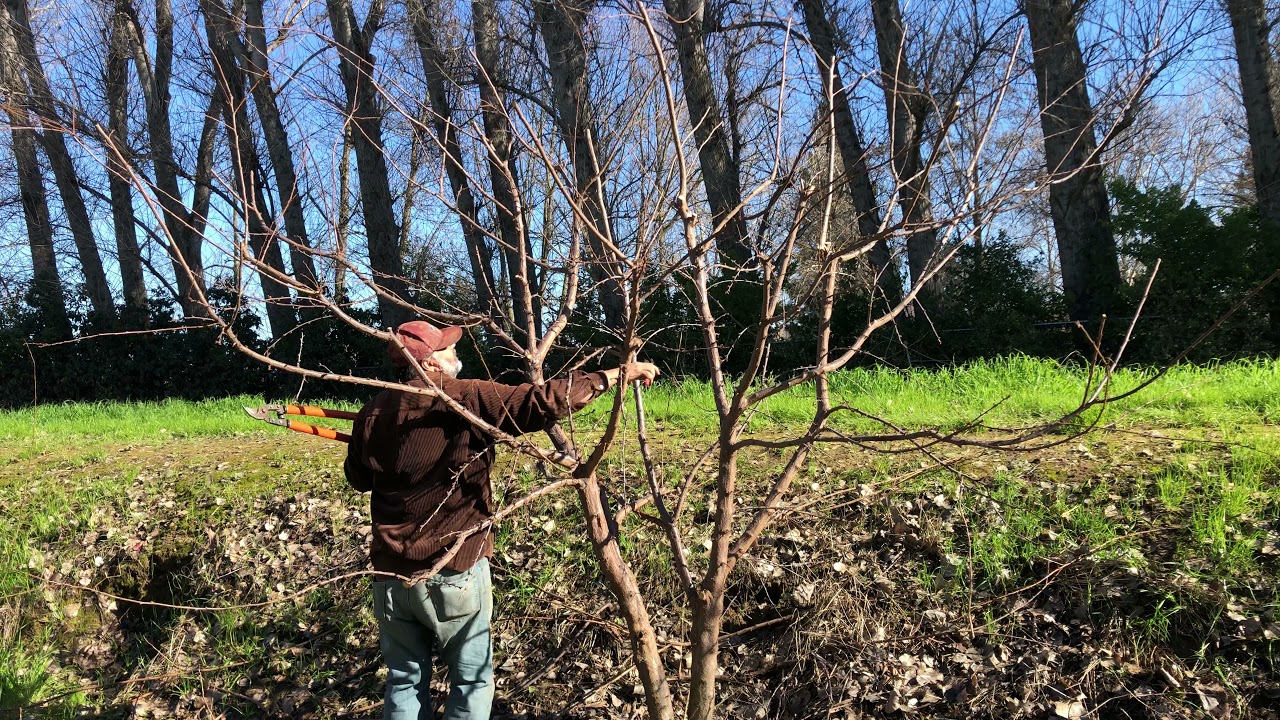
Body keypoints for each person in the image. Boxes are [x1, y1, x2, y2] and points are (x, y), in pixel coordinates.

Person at [343, 320, 659, 720]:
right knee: (471, 682)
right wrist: (615, 374)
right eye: (446, 349)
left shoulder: (373, 411)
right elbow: (544, 401)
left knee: (404, 681)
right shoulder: (466, 396)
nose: (455, 353)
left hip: (390, 578)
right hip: (453, 569)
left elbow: (358, 479)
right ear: (431, 365)